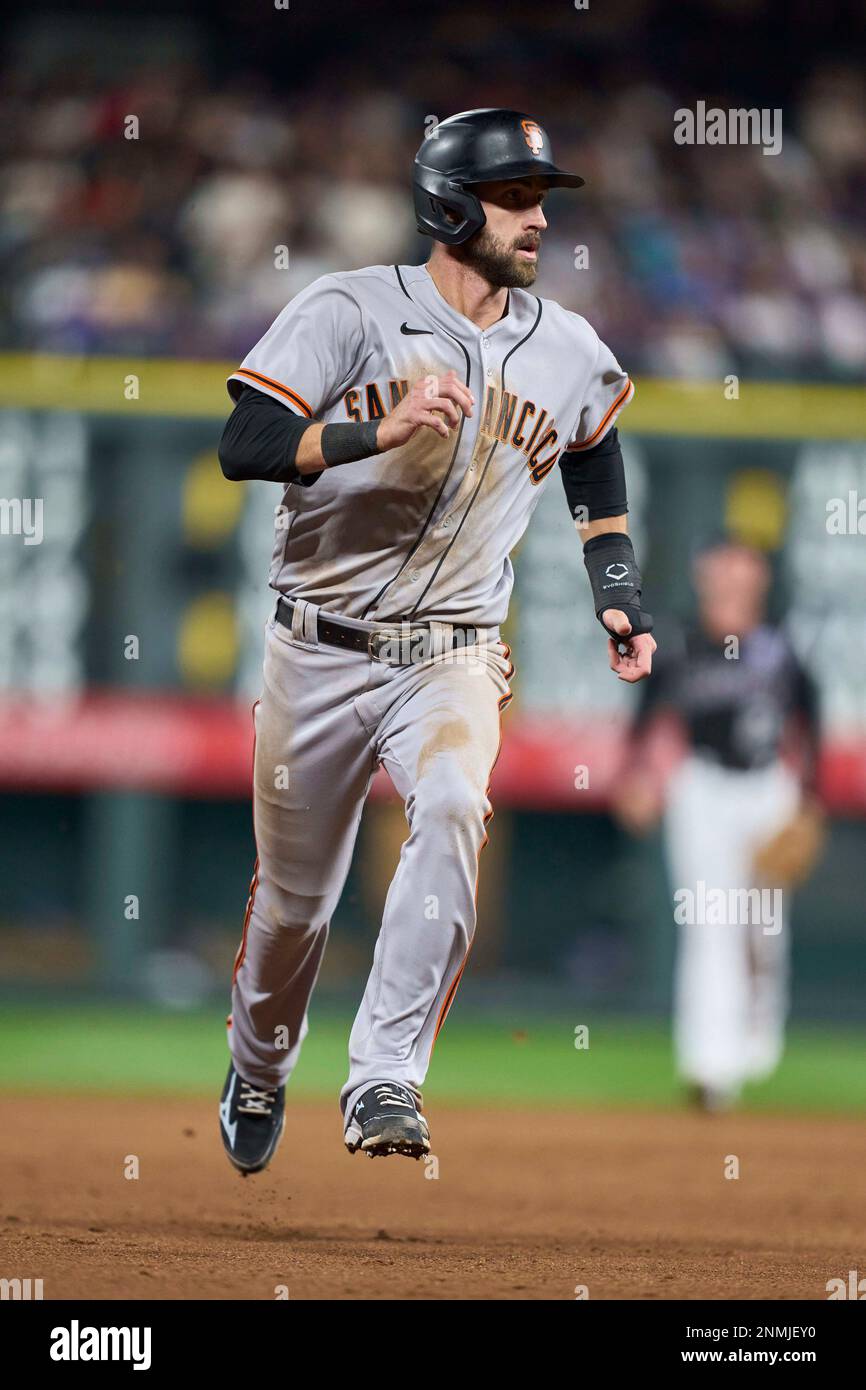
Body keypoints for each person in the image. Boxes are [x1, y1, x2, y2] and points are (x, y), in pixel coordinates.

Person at [215, 108, 655, 1173]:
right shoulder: (348, 308)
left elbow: (592, 452)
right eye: (513, 196)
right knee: (292, 907)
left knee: (455, 806)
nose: (536, 218)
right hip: (315, 647)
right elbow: (245, 441)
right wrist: (379, 428)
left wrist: (616, 586)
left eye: (540, 197)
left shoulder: (566, 346)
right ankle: (260, 1063)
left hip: (453, 646)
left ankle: (384, 1076)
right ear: (447, 204)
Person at [612, 538, 823, 1110]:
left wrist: (810, 798)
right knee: (709, 922)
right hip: (702, 791)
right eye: (722, 567)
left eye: (743, 567)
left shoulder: (781, 648)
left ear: (759, 578)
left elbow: (811, 719)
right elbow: (646, 715)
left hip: (766, 789)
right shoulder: (678, 645)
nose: (731, 578)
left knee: (763, 929)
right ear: (703, 576)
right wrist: (634, 777)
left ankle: (755, 1041)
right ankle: (710, 1067)